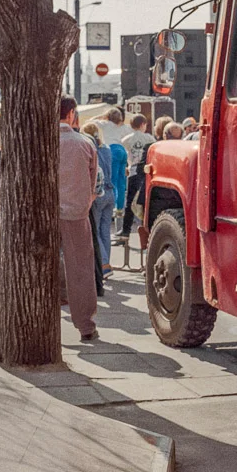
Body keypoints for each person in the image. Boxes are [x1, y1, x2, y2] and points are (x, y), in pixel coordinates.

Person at [59, 96, 98, 340]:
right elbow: (93, 185)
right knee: (81, 269)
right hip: (75, 212)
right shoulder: (84, 143)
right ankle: (85, 325)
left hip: (43, 213)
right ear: (71, 113)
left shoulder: (40, 142)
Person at [81, 122, 115, 282]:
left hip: (98, 193)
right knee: (105, 231)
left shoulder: (90, 149)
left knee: (95, 232)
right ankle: (106, 263)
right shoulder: (107, 149)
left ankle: (104, 265)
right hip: (110, 191)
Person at [116, 112, 154, 244]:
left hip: (132, 171)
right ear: (143, 124)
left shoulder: (126, 139)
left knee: (130, 202)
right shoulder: (149, 138)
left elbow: (126, 155)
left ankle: (125, 230)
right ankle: (147, 230)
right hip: (144, 172)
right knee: (144, 202)